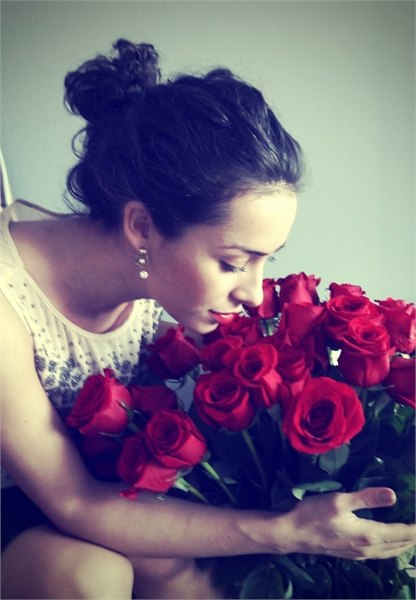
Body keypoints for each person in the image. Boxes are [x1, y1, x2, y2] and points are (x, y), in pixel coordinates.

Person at [1, 39, 414, 600]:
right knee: (89, 577)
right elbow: (74, 500)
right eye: (233, 261)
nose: (252, 291)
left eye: (267, 260)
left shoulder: (162, 279)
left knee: (167, 560)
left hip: (102, 492)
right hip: (30, 501)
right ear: (142, 227)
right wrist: (289, 532)